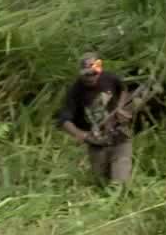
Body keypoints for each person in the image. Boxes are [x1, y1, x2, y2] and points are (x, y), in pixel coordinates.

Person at [56, 53, 133, 184]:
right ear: (81, 73)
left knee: (120, 180)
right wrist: (82, 135)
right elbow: (64, 120)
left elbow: (123, 89)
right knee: (100, 181)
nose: (91, 78)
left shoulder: (110, 78)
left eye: (94, 74)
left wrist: (120, 108)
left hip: (119, 135)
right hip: (97, 141)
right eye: (87, 74)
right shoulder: (75, 91)